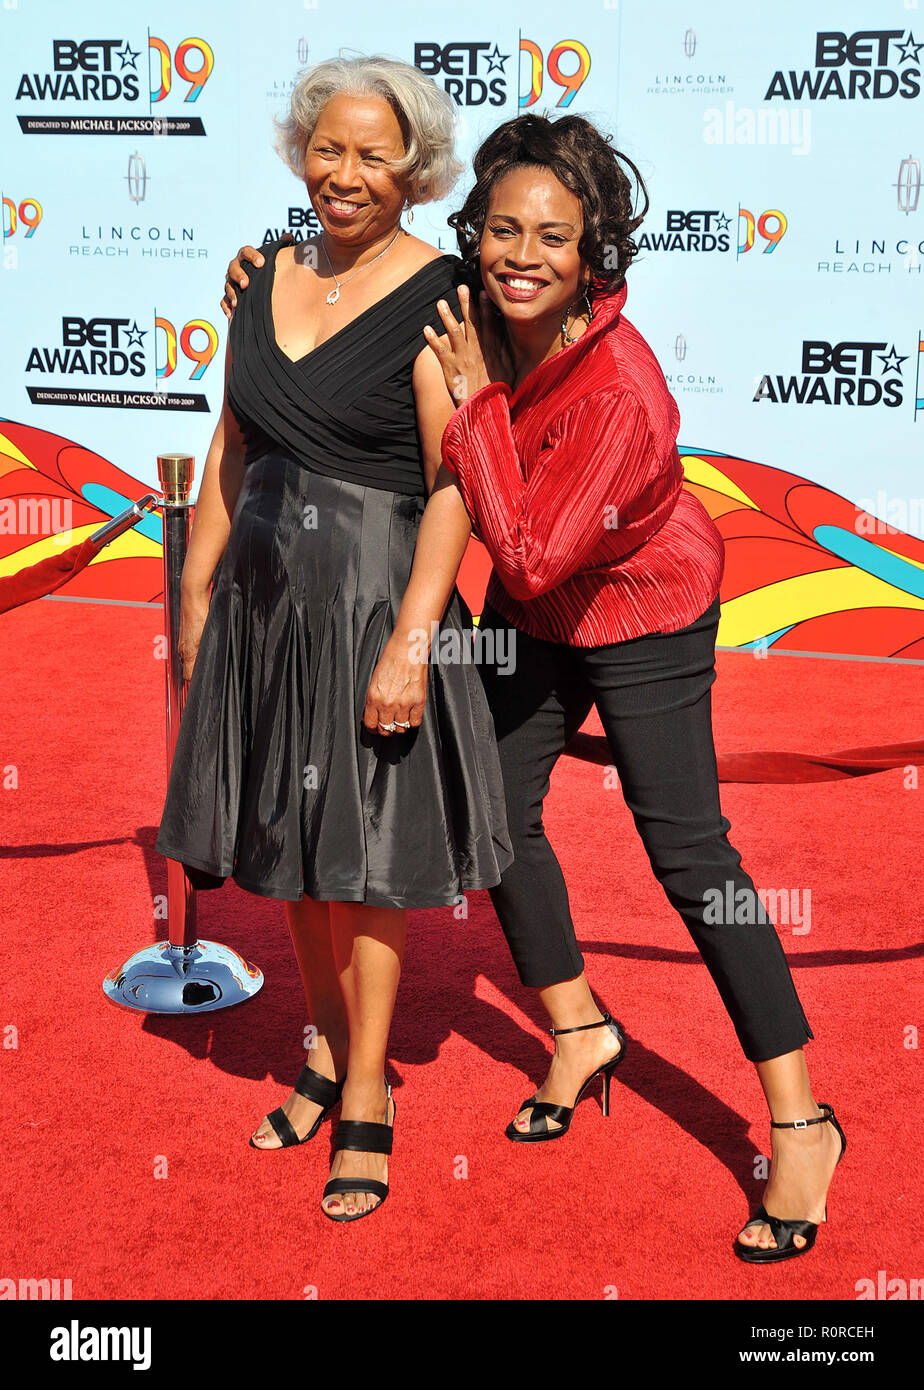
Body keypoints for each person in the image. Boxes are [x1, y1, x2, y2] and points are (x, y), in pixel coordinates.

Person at [381, 111, 847, 1263]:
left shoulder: (621, 387)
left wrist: (482, 400)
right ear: (474, 229)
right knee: (489, 812)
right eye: (501, 230)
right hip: (539, 616)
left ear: (596, 252)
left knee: (693, 857)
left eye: (552, 235)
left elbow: (534, 548)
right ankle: (581, 1026)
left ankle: (802, 1119)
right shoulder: (473, 302)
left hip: (643, 606)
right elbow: (368, 283)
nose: (520, 256)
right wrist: (269, 270)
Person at [156, 55, 512, 1224]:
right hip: (264, 607)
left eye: (374, 155)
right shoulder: (258, 278)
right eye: (329, 149)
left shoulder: (442, 294)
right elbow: (236, 445)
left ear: (415, 170)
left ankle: (368, 1089)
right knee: (291, 855)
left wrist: (414, 639)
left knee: (361, 869)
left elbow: (454, 482)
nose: (346, 174)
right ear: (299, 152)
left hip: (369, 606)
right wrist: (198, 593)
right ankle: (320, 1049)